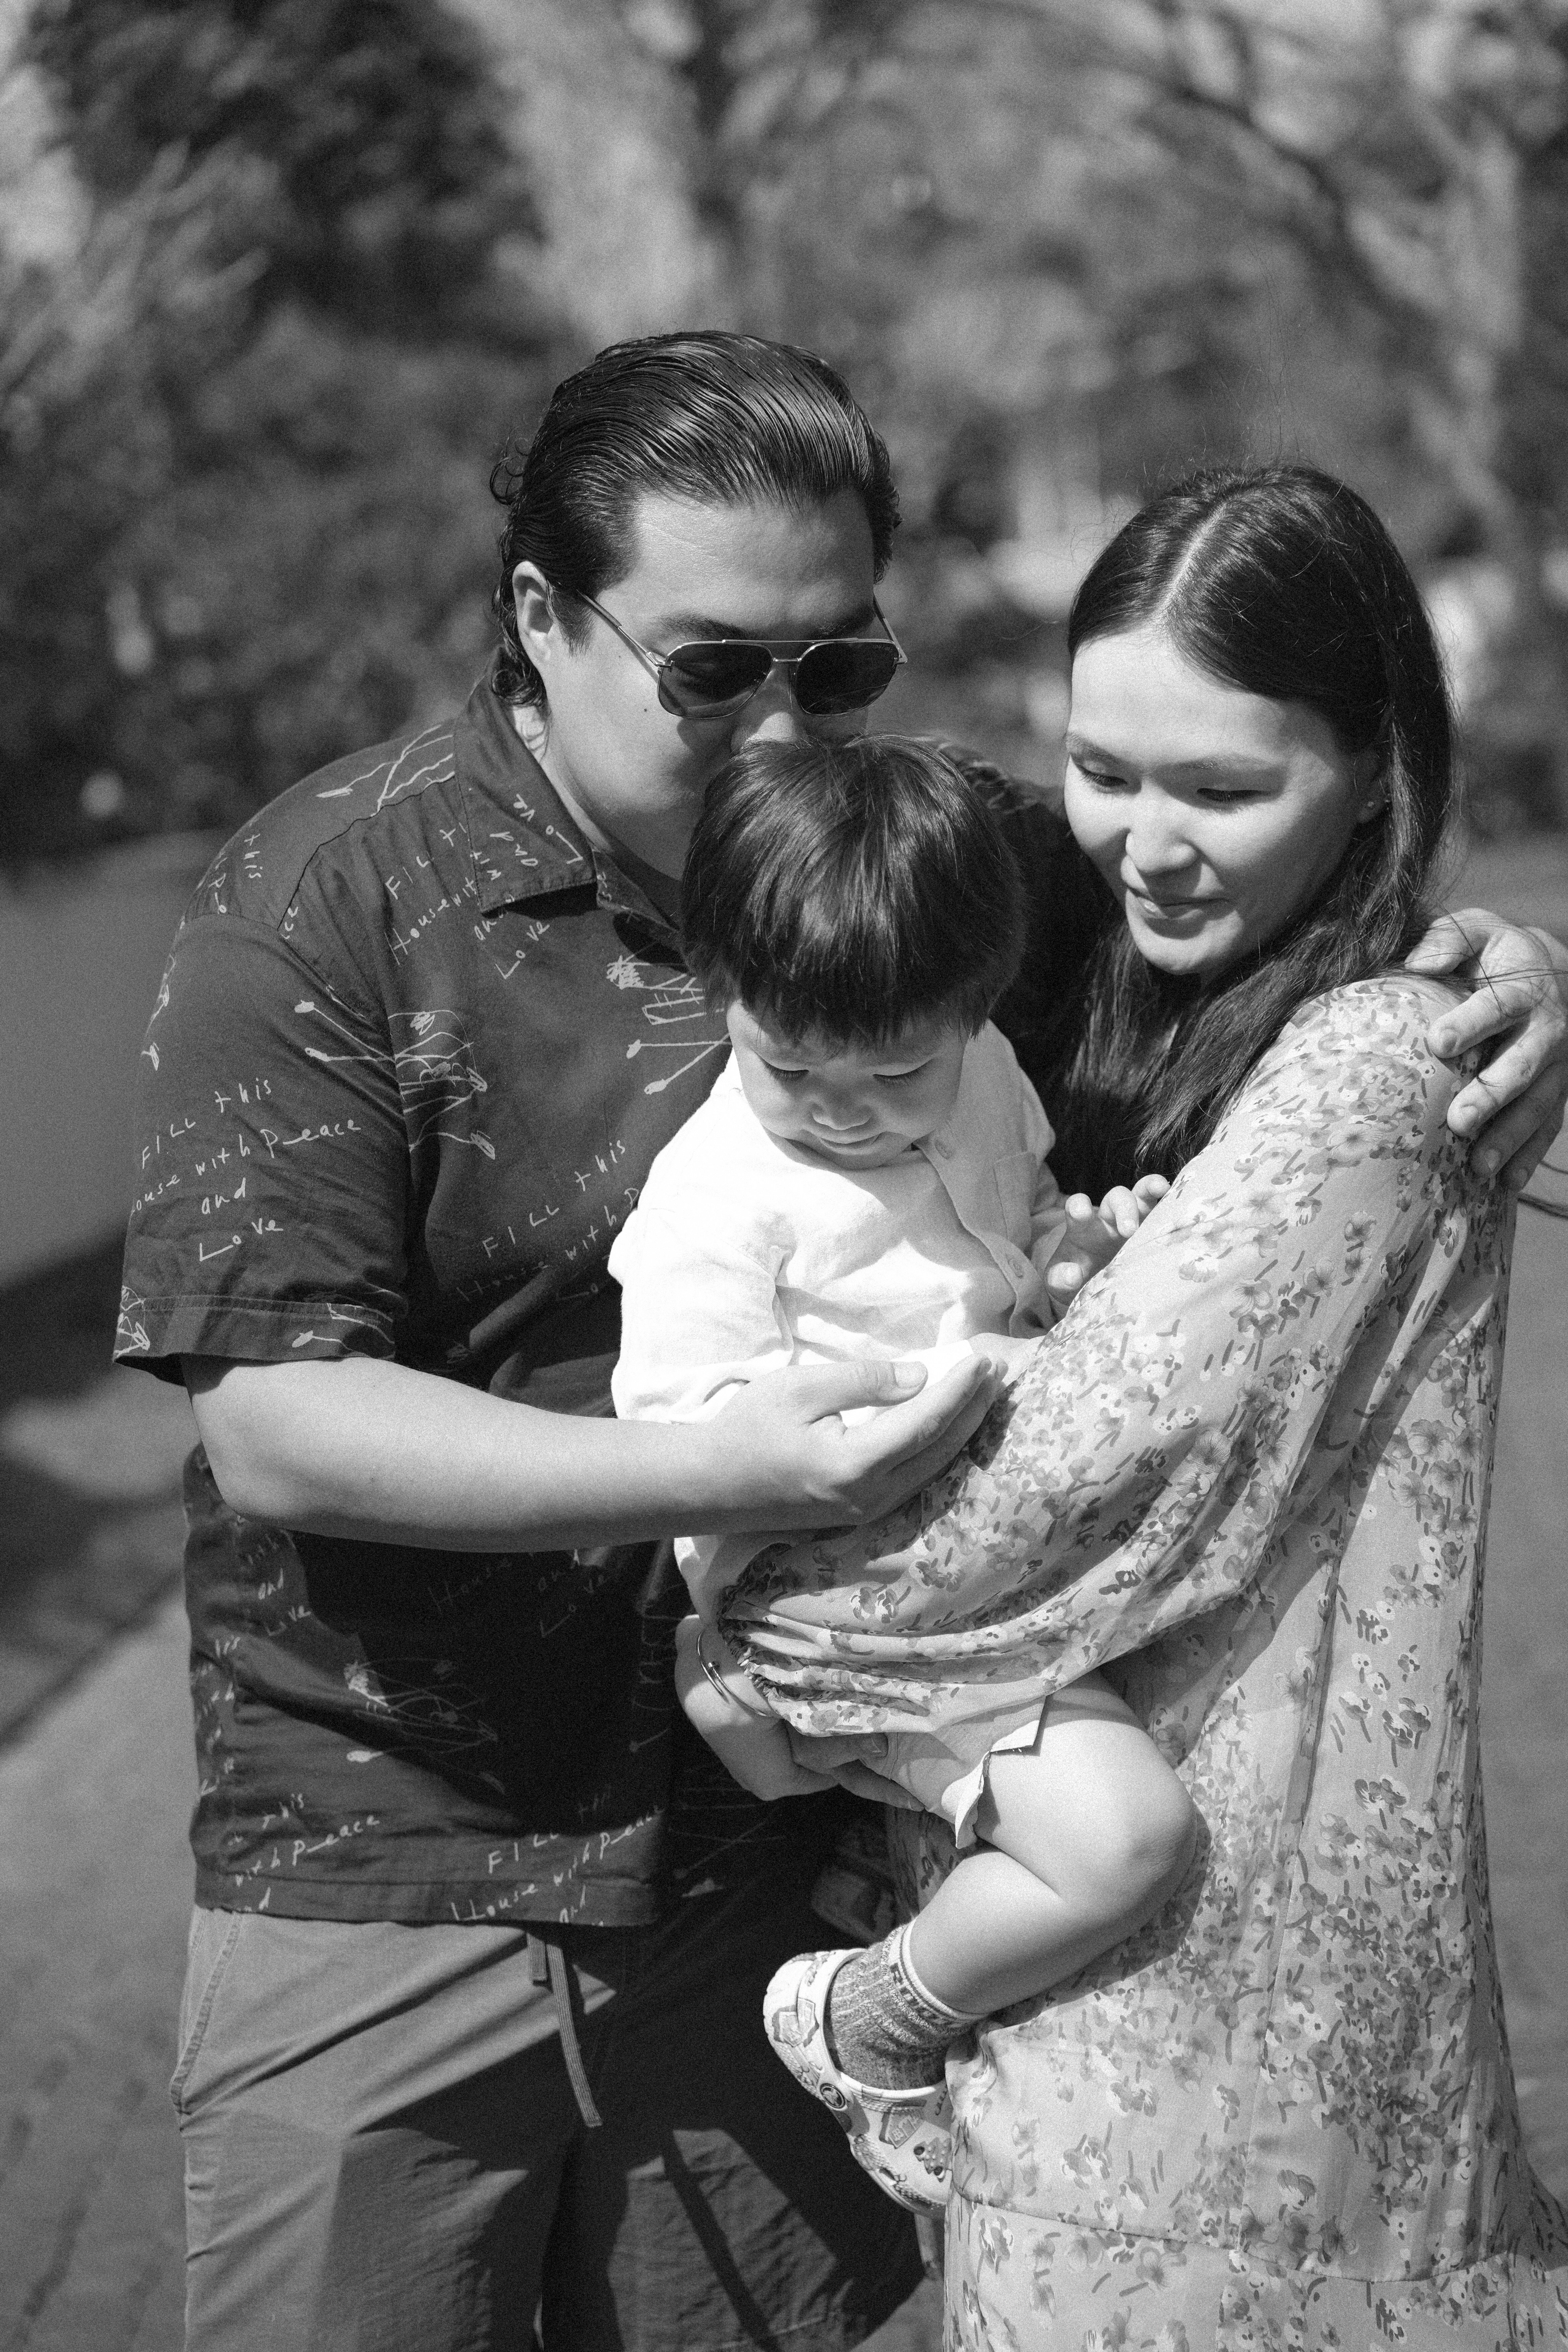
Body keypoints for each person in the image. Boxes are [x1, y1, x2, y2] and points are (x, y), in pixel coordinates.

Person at [113, 331, 1568, 2352]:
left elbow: (1234, 894)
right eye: (717, 670)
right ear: (542, 617)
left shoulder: (947, 858)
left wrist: (1489, 956)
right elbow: (274, 1421)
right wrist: (742, 1474)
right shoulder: (325, 900)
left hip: (777, 1888)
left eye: (843, 665)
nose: (788, 726)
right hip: (392, 1875)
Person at [720, 465, 1568, 2345]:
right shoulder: (1086, 977)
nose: (1145, 842)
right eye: (1108, 767)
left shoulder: (1372, 1056)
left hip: (1208, 2039)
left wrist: (742, 1598)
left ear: (1375, 766)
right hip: (1111, 2013)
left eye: (1224, 788)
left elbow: (1067, 1487)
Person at [610, 733, 1192, 2210]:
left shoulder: (987, 1072)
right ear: (719, 992)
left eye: (896, 1072)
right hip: (846, 1578)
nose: (844, 1110)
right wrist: (958, 1387)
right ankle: (871, 2016)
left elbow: (1021, 1223)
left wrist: (1068, 1253)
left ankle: (856, 1809)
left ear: (978, 1008)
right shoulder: (712, 1201)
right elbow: (676, 1437)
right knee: (1126, 1838)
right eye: (789, 1066)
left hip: (983, 1537)